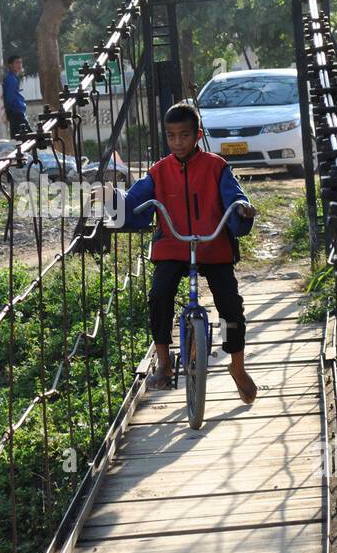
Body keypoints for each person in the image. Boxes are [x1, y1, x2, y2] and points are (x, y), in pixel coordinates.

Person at [110, 102, 259, 403]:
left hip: (212, 243)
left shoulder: (217, 167)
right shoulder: (158, 172)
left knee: (230, 305)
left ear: (197, 135)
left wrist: (242, 210)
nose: (178, 142)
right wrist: (113, 201)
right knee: (159, 293)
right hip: (173, 245)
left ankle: (238, 366)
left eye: (184, 135)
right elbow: (134, 198)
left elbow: (235, 196)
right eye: (171, 136)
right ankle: (164, 362)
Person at [1, 54, 31, 136]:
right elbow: (10, 98)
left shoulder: (14, 78)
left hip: (17, 112)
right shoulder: (11, 79)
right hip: (16, 113)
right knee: (30, 137)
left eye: (20, 63)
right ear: (11, 65)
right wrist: (10, 111)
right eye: (17, 63)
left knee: (20, 138)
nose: (19, 65)